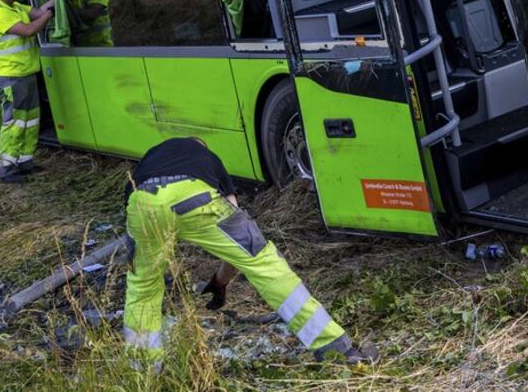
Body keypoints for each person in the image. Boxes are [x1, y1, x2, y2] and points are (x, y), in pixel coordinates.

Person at [122, 137, 373, 364]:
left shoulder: (151, 157)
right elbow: (234, 228)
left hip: (142, 204)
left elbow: (130, 209)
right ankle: (335, 349)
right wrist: (221, 281)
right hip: (194, 195)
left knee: (143, 287)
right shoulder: (208, 157)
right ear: (201, 146)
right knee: (263, 263)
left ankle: (142, 371)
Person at [0, 0, 53, 183]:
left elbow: (38, 12)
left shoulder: (16, 7)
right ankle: (7, 167)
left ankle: (25, 161)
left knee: (30, 121)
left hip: (26, 74)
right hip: (11, 77)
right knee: (13, 123)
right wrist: (49, 15)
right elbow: (29, 29)